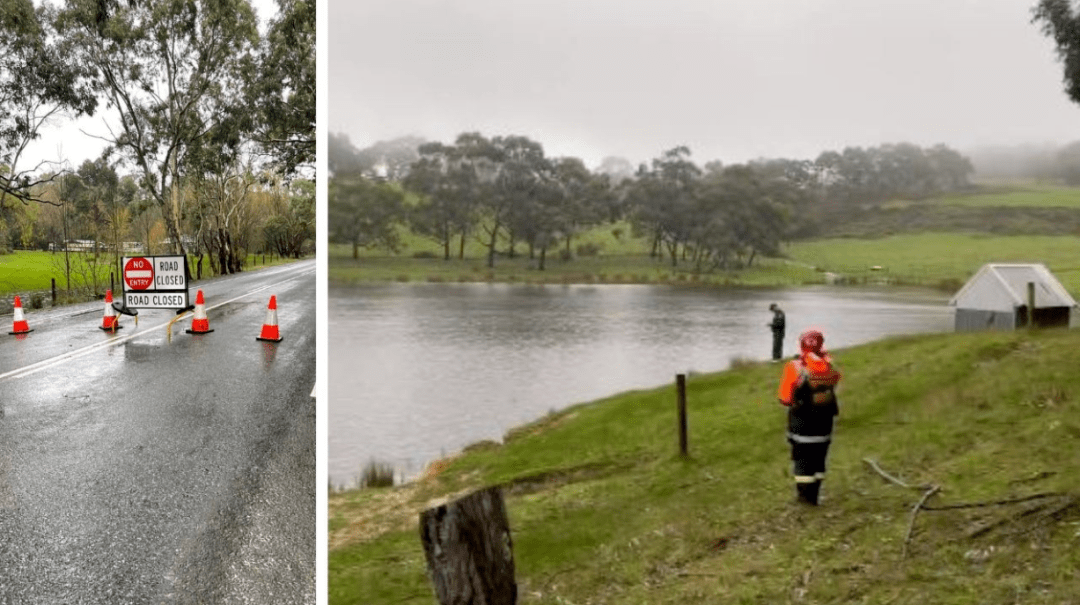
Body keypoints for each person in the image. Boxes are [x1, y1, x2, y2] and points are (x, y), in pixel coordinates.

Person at [777, 329, 841, 505]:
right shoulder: (829, 365)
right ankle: (815, 495)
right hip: (824, 425)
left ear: (801, 345)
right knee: (819, 460)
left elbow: (785, 398)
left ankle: (805, 500)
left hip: (801, 425)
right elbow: (835, 381)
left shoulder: (794, 367)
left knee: (802, 462)